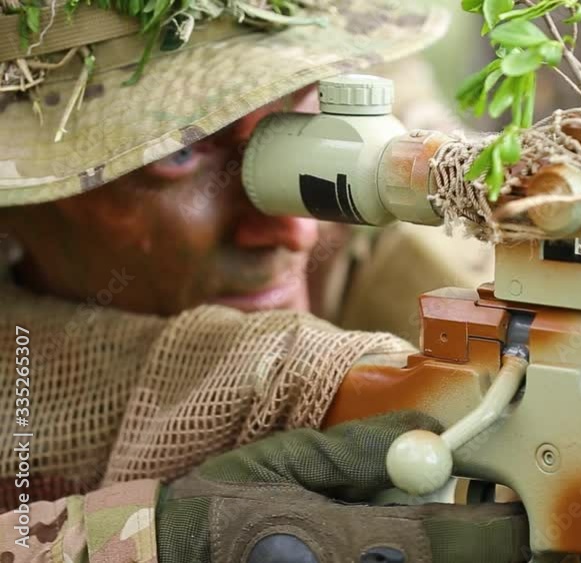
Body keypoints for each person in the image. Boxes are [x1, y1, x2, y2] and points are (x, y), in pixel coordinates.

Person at [0, 1, 526, 561]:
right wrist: (150, 541)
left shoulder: (427, 268)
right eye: (180, 151)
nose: (293, 230)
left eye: (302, 126)